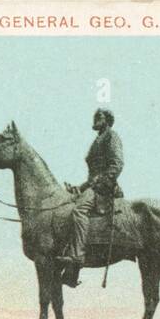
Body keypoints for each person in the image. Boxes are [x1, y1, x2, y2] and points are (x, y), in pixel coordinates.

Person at [59, 107, 124, 287]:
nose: (95, 119)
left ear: (108, 120)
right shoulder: (98, 139)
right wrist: (79, 187)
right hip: (93, 186)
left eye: (99, 116)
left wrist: (98, 183)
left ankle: (76, 257)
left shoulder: (112, 136)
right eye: (95, 116)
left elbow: (117, 164)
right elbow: (92, 175)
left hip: (104, 188)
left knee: (79, 211)